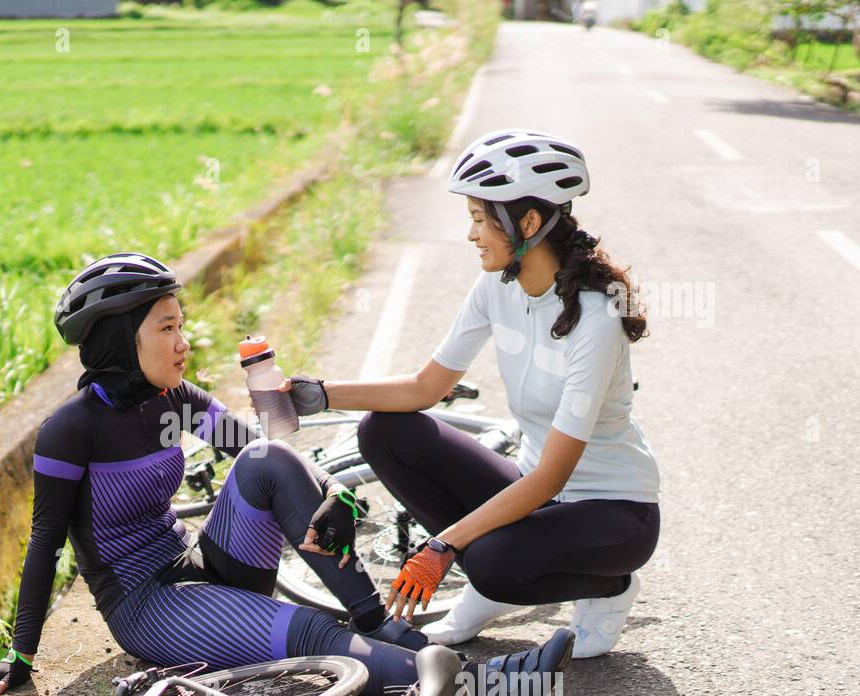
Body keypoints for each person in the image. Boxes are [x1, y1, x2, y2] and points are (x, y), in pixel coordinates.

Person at [0, 251, 572, 696]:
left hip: (203, 563)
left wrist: (336, 492)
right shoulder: (69, 431)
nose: (184, 341)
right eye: (167, 328)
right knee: (314, 637)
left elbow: (264, 452)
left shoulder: (174, 399)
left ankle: (384, 628)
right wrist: (21, 656)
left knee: (266, 459)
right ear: (118, 340)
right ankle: (480, 688)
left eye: (183, 325)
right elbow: (45, 544)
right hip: (148, 605)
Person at [282, 129, 660, 659]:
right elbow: (424, 388)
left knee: (493, 564)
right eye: (473, 220)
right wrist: (319, 394)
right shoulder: (497, 287)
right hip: (536, 492)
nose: (472, 234)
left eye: (481, 219)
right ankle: (485, 576)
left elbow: (555, 474)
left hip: (614, 513)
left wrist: (444, 545)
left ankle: (609, 586)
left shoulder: (595, 320)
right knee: (387, 431)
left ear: (528, 223)